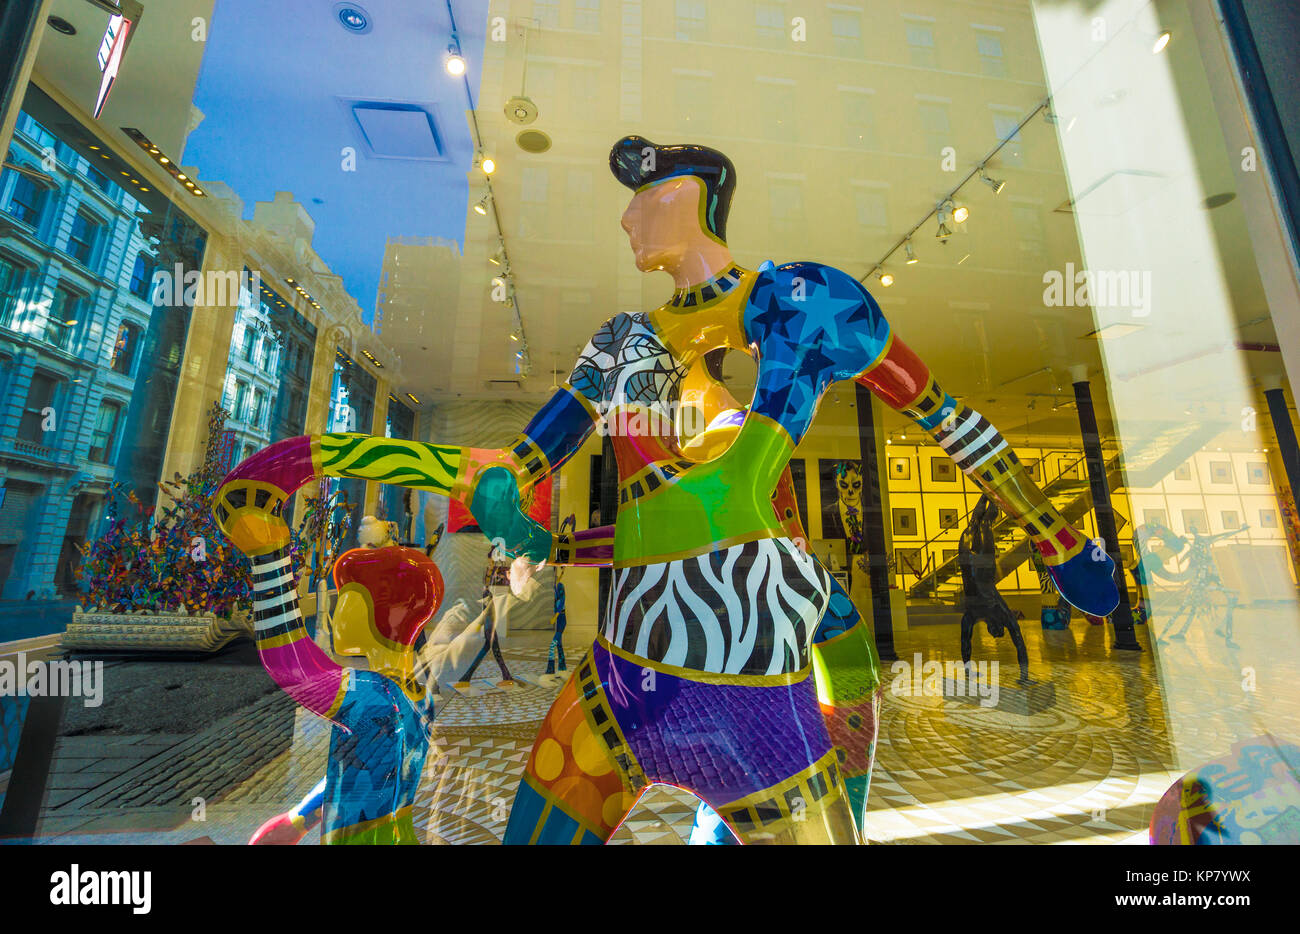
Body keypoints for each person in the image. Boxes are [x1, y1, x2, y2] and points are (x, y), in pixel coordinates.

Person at [215, 136, 1117, 844]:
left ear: (682, 196)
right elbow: (518, 464)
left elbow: (942, 413)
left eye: (636, 202)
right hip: (619, 685)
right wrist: (311, 456)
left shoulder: (806, 303)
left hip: (756, 696)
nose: (624, 224)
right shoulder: (621, 344)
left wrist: (1056, 539)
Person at [215, 489, 443, 844]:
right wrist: (298, 820)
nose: (338, 611)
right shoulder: (419, 699)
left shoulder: (374, 696)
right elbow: (365, 767)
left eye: (346, 596)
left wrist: (267, 556)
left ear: (367, 610)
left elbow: (288, 665)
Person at [958, 495, 1032, 684]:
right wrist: (1024, 677)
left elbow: (1018, 641)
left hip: (977, 561)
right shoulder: (984, 611)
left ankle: (988, 493)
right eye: (996, 632)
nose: (993, 632)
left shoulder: (984, 611)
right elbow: (965, 641)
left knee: (980, 523)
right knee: (979, 524)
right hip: (969, 559)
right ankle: (989, 493)